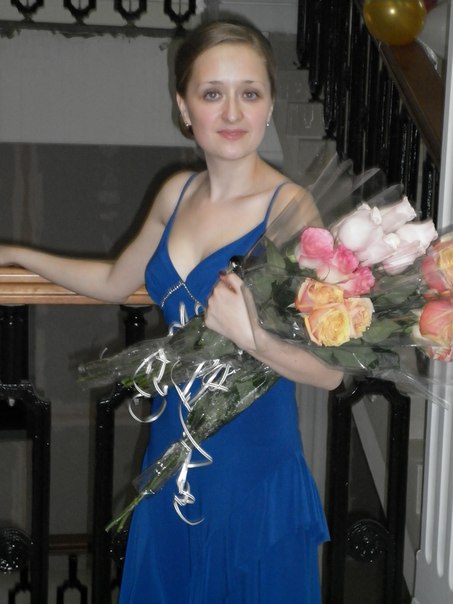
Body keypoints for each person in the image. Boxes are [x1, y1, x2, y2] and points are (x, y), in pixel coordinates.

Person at [0, 18, 342, 603]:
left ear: (268, 106)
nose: (232, 112)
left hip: (251, 465)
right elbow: (115, 280)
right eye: (212, 94)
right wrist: (16, 255)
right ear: (184, 107)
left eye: (249, 93)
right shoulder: (176, 193)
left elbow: (331, 373)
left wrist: (253, 337)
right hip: (171, 453)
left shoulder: (290, 209)